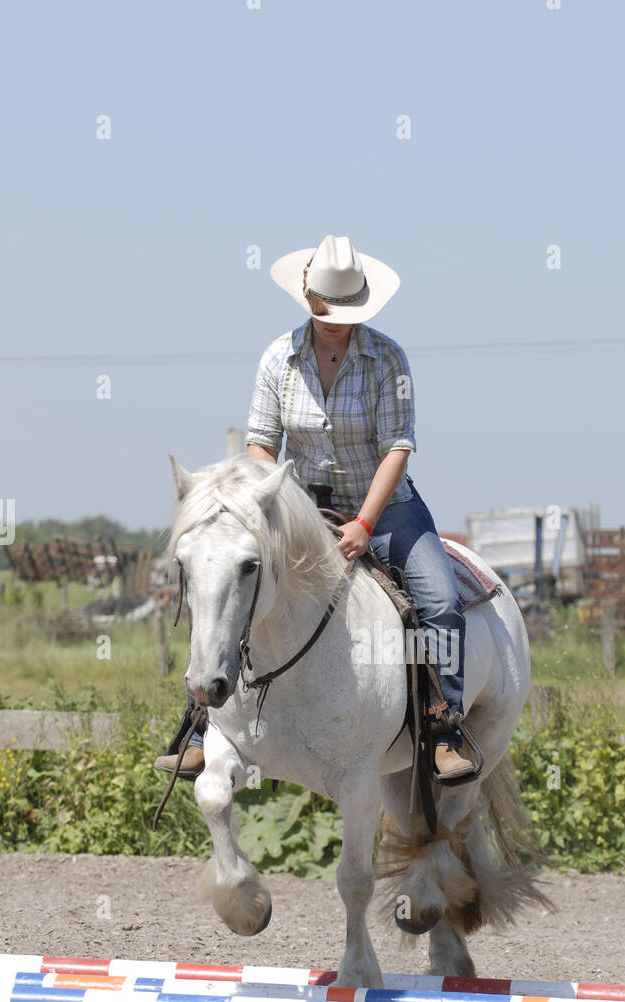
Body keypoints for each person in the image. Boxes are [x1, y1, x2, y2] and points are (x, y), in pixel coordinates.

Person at [155, 234, 472, 781]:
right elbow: (262, 442)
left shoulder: (387, 358)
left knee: (440, 600)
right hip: (299, 507)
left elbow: (398, 447)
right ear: (308, 297)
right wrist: (261, 500)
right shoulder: (278, 358)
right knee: (229, 579)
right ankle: (202, 723)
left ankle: (444, 724)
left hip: (385, 504)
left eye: (345, 310)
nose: (333, 319)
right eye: (325, 307)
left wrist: (364, 523)